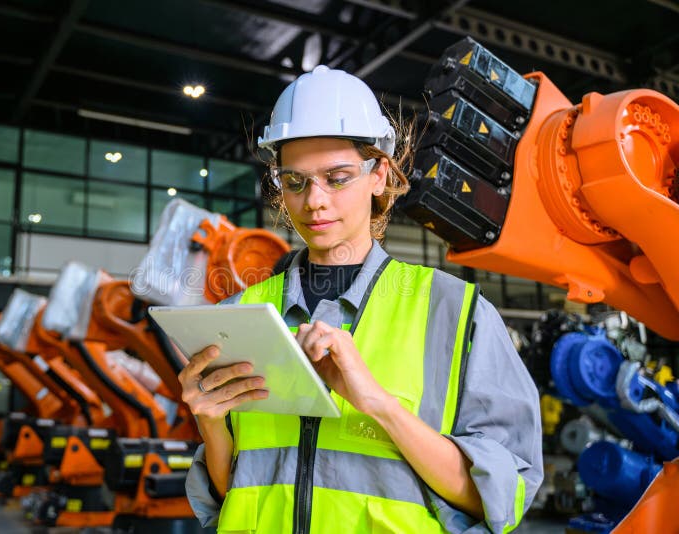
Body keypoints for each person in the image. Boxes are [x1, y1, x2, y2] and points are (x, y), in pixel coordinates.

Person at [178, 65, 542, 533]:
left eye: (338, 177)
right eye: (295, 181)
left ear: (379, 174)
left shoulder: (455, 314)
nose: (314, 201)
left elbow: (498, 499)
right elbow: (235, 494)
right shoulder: (240, 316)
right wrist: (210, 424)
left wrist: (377, 403)